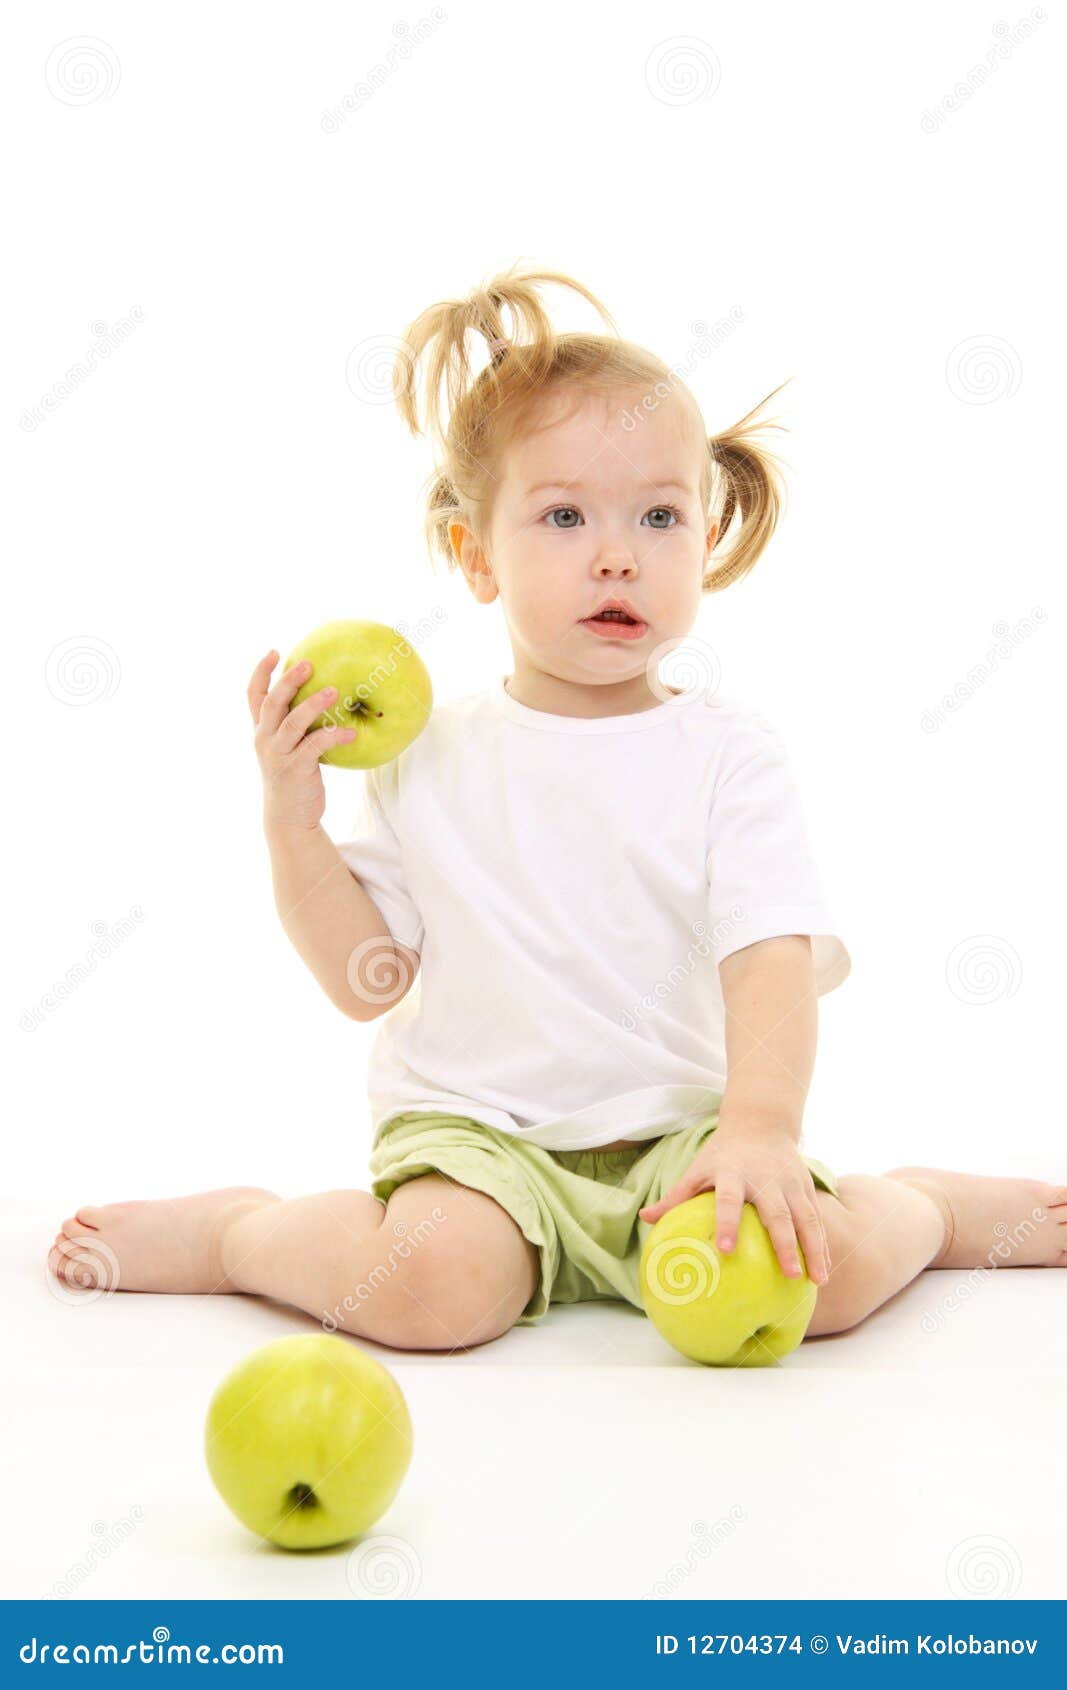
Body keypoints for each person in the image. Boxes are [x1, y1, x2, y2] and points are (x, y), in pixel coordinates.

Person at [47, 265, 1066, 1353]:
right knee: (428, 1290)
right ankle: (239, 1237)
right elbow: (361, 981)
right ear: (474, 555)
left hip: (682, 1134)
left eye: (659, 515)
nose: (616, 551)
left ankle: (931, 1207)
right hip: (481, 1143)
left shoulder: (728, 755)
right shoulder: (430, 756)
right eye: (564, 515)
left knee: (823, 1277)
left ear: (704, 539)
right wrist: (292, 823)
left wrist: (758, 1128)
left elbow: (767, 961)